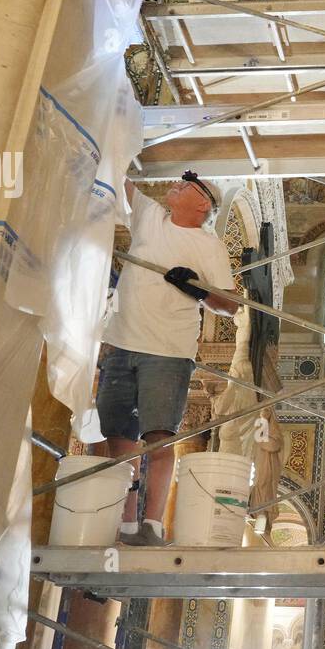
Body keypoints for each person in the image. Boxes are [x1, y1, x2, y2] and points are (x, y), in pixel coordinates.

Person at [94, 171, 237, 546]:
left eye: (187, 183)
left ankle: (153, 523)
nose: (176, 182)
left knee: (158, 436)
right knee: (118, 436)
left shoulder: (209, 247)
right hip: (121, 343)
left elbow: (231, 305)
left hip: (167, 352)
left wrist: (199, 289)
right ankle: (125, 522)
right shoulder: (149, 215)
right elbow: (121, 179)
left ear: (203, 203)